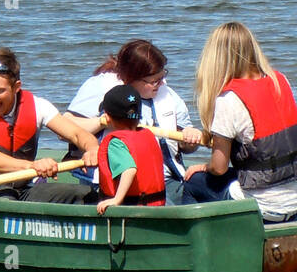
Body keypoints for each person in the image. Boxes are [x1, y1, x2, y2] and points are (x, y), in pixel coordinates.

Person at [181, 22, 297, 222]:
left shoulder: (228, 99)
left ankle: (193, 243)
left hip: (264, 210)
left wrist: (204, 167)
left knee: (192, 182)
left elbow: (219, 168)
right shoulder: (280, 80)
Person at [66, 39, 203, 202]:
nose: (159, 85)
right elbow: (66, 128)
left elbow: (184, 145)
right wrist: (102, 122)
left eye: (162, 77)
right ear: (131, 78)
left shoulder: (168, 94)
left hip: (165, 179)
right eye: (153, 81)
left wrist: (190, 138)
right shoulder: (102, 87)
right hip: (118, 180)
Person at [0, 47, 98, 201]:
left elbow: (77, 134)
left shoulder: (38, 106)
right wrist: (33, 166)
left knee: (85, 194)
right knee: (7, 201)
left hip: (24, 188)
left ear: (16, 87)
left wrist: (92, 149)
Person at [95, 84, 167, 214]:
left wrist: (116, 200)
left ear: (107, 117)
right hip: (156, 207)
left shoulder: (116, 143)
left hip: (131, 209)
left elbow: (129, 170)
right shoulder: (147, 136)